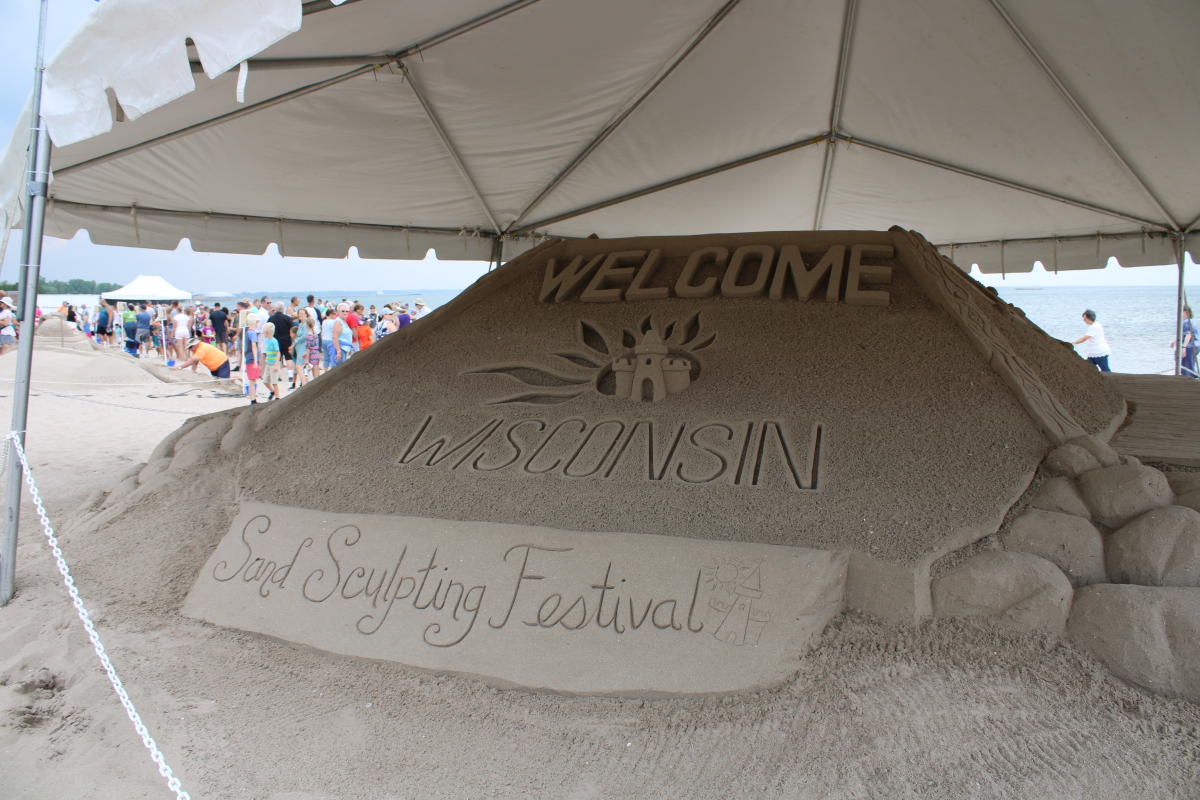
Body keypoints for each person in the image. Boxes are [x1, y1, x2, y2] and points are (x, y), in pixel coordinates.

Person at [1172, 305, 1197, 379]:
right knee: (1189, 364)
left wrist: (1184, 347)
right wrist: (1174, 341)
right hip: (1195, 345)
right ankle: (1192, 376)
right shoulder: (1191, 321)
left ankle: (1188, 378)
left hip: (1190, 345)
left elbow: (1188, 334)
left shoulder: (1186, 322)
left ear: (1185, 312)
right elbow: (1182, 334)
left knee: (1185, 365)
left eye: (1181, 312)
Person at [261, 321, 283, 400]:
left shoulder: (274, 341)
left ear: (267, 331)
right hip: (268, 363)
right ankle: (272, 392)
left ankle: (277, 397)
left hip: (274, 364)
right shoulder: (266, 340)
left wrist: (276, 364)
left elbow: (278, 353)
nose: (263, 332)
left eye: (264, 330)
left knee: (274, 382)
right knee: (265, 381)